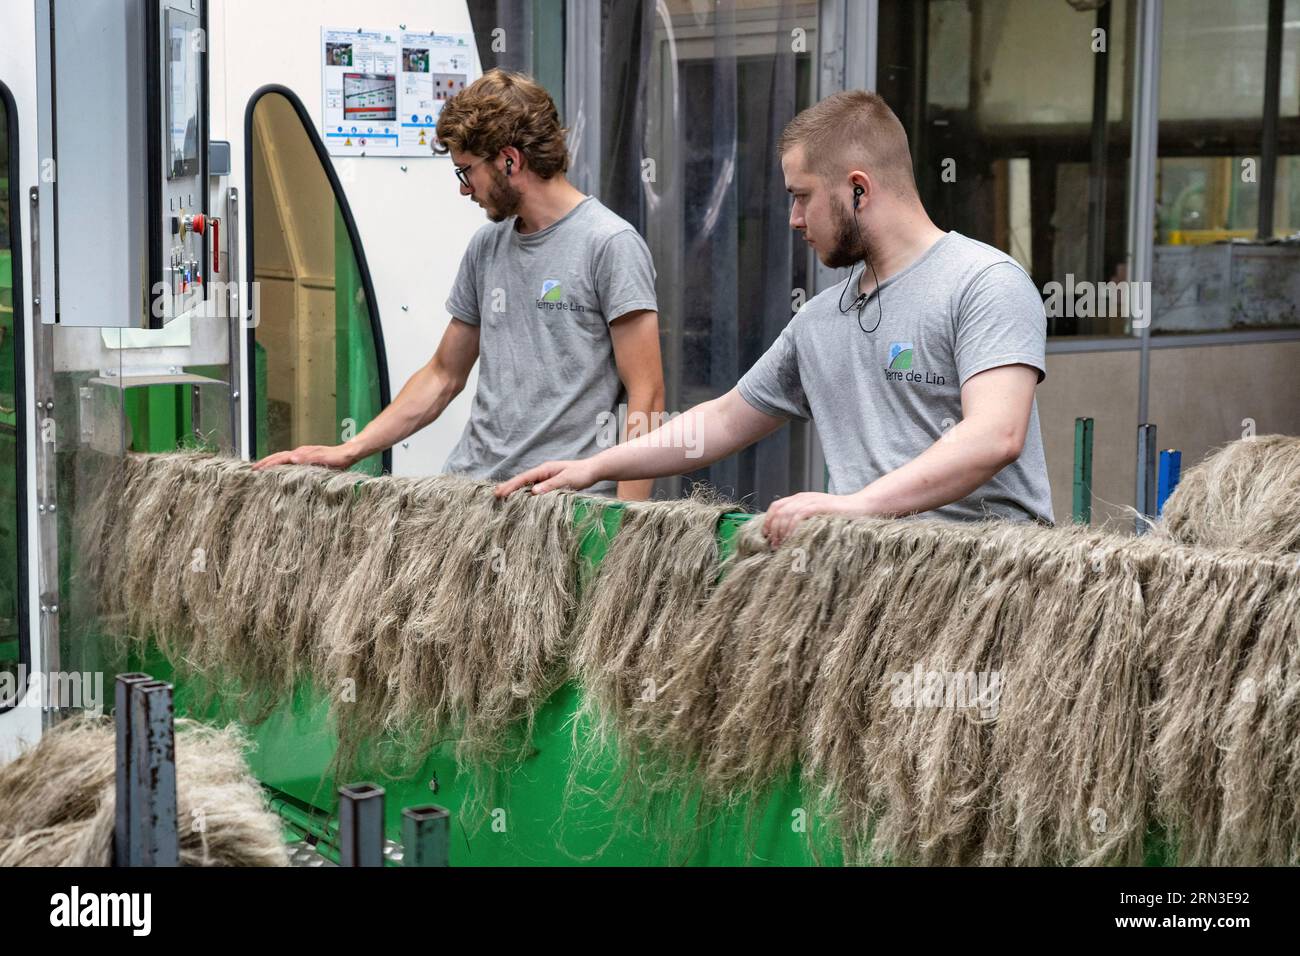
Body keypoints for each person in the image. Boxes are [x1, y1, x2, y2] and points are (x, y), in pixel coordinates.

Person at [496, 90, 1052, 543]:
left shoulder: (984, 282)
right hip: (875, 587)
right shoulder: (818, 322)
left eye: (801, 196)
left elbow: (994, 435)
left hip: (992, 593)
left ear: (858, 189)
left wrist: (856, 506)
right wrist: (596, 466)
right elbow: (721, 422)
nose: (792, 218)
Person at [255, 70, 665, 500]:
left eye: (467, 171)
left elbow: (649, 394)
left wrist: (626, 527)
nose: (464, 190)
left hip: (560, 508)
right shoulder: (487, 246)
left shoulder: (611, 245)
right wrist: (350, 450)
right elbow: (443, 375)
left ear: (510, 160)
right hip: (470, 497)